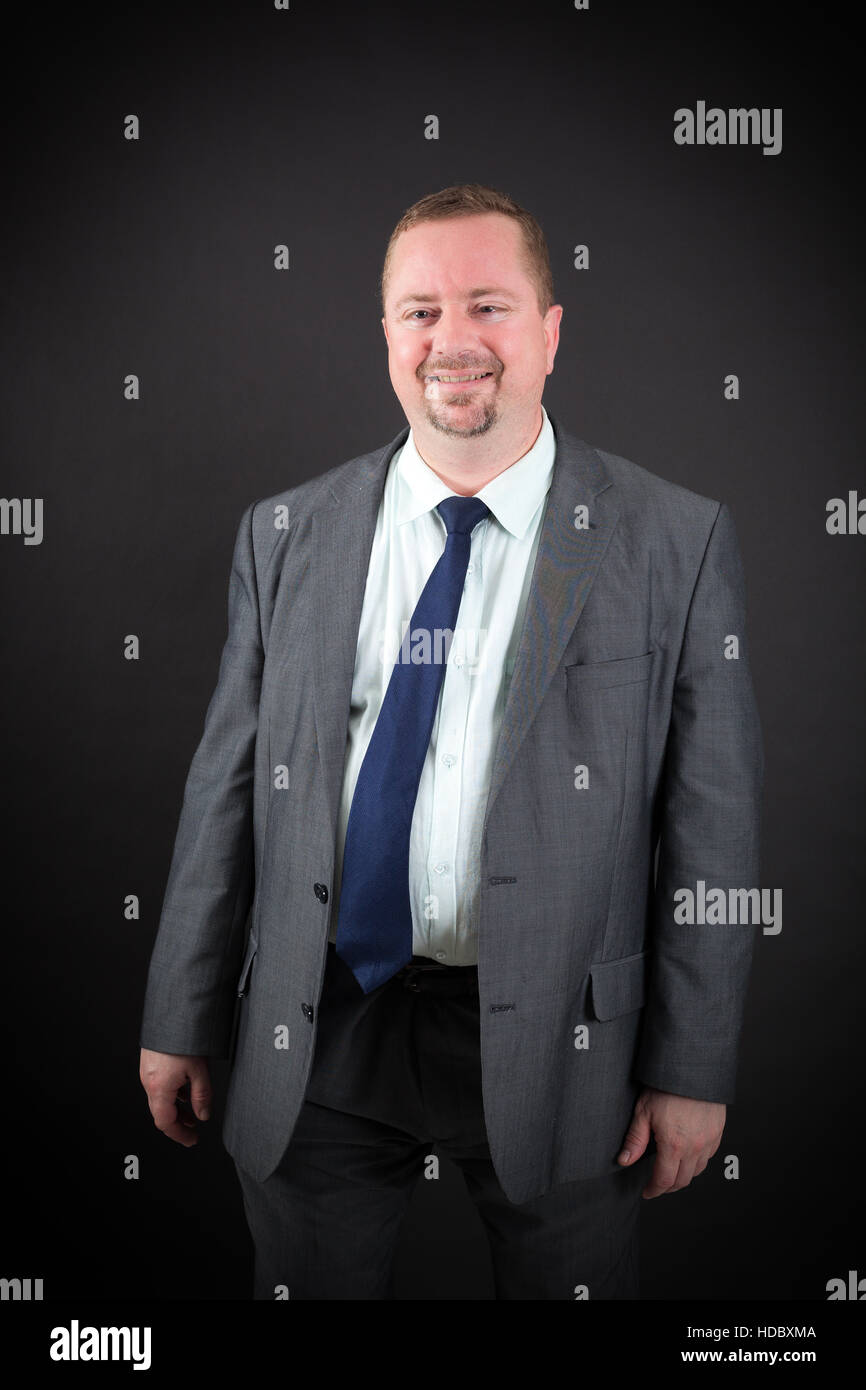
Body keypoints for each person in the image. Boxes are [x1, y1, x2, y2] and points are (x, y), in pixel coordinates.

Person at [139, 182, 763, 1300]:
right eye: (419, 311)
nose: (453, 341)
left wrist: (691, 1064)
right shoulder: (285, 534)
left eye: (488, 304)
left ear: (549, 330)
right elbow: (224, 788)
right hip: (322, 1021)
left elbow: (710, 821)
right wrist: (179, 1012)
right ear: (385, 333)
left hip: (567, 1048)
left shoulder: (671, 538)